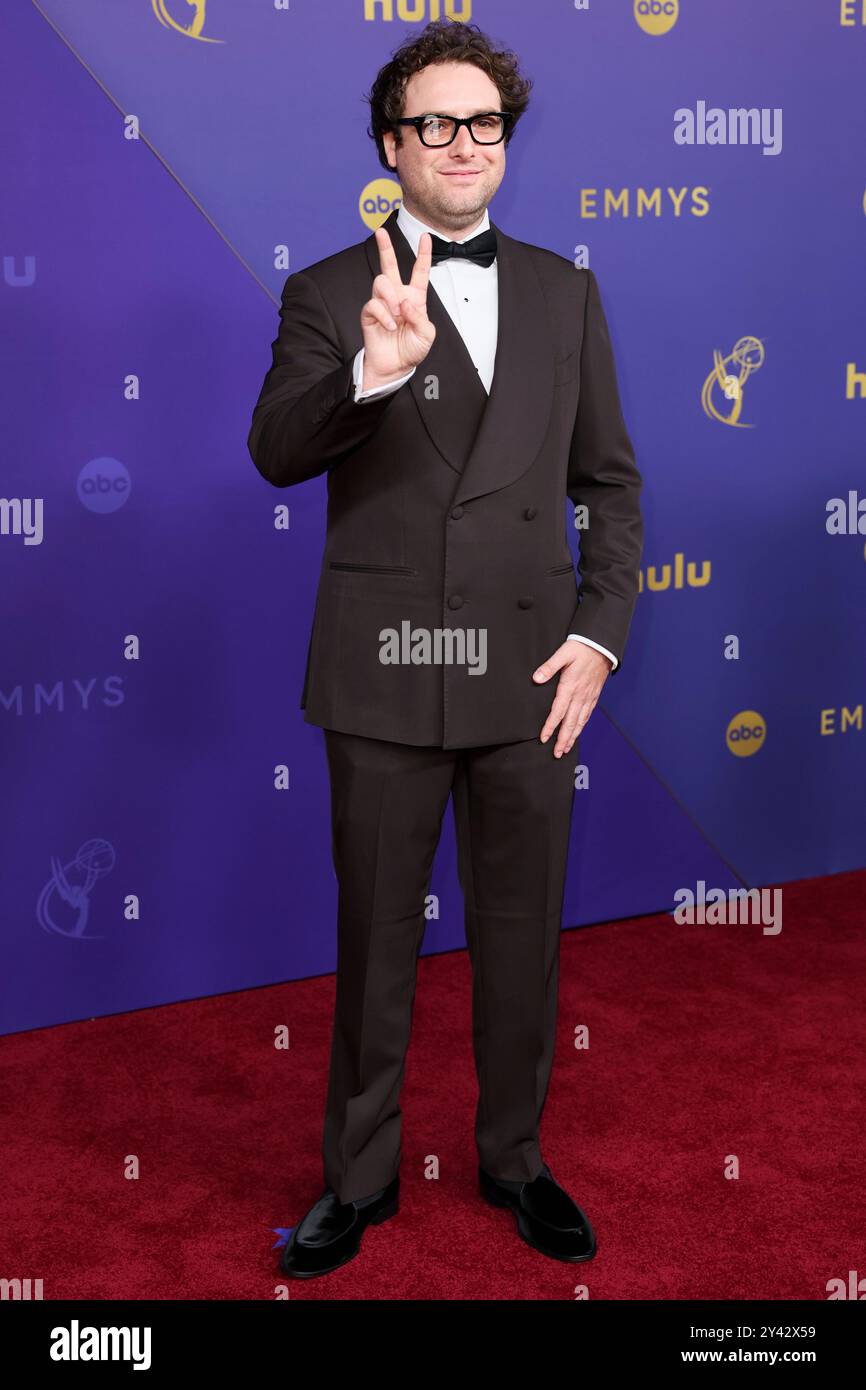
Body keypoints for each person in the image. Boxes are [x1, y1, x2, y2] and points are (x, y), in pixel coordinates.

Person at [247, 18, 643, 1279]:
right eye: (434, 123)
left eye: (483, 123)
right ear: (390, 145)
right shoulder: (325, 291)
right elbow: (272, 453)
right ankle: (356, 1182)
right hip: (381, 673)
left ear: (503, 142)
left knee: (521, 934)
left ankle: (514, 1159)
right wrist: (367, 373)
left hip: (532, 673)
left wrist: (598, 635)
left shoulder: (563, 291)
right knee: (373, 940)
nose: (461, 144)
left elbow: (611, 484)